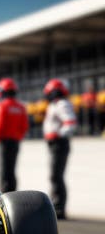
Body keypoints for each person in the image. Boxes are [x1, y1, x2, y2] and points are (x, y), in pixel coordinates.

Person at [43, 78, 76, 219]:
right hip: (55, 143)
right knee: (55, 176)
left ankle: (59, 209)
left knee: (56, 176)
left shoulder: (62, 104)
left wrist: (58, 135)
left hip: (59, 143)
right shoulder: (55, 104)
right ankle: (56, 207)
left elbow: (70, 123)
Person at [0, 78, 29, 192]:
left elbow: (0, 125)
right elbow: (24, 126)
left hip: (5, 141)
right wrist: (17, 136)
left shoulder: (2, 106)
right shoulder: (21, 107)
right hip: (15, 141)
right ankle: (13, 193)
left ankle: (4, 195)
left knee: (4, 170)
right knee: (12, 169)